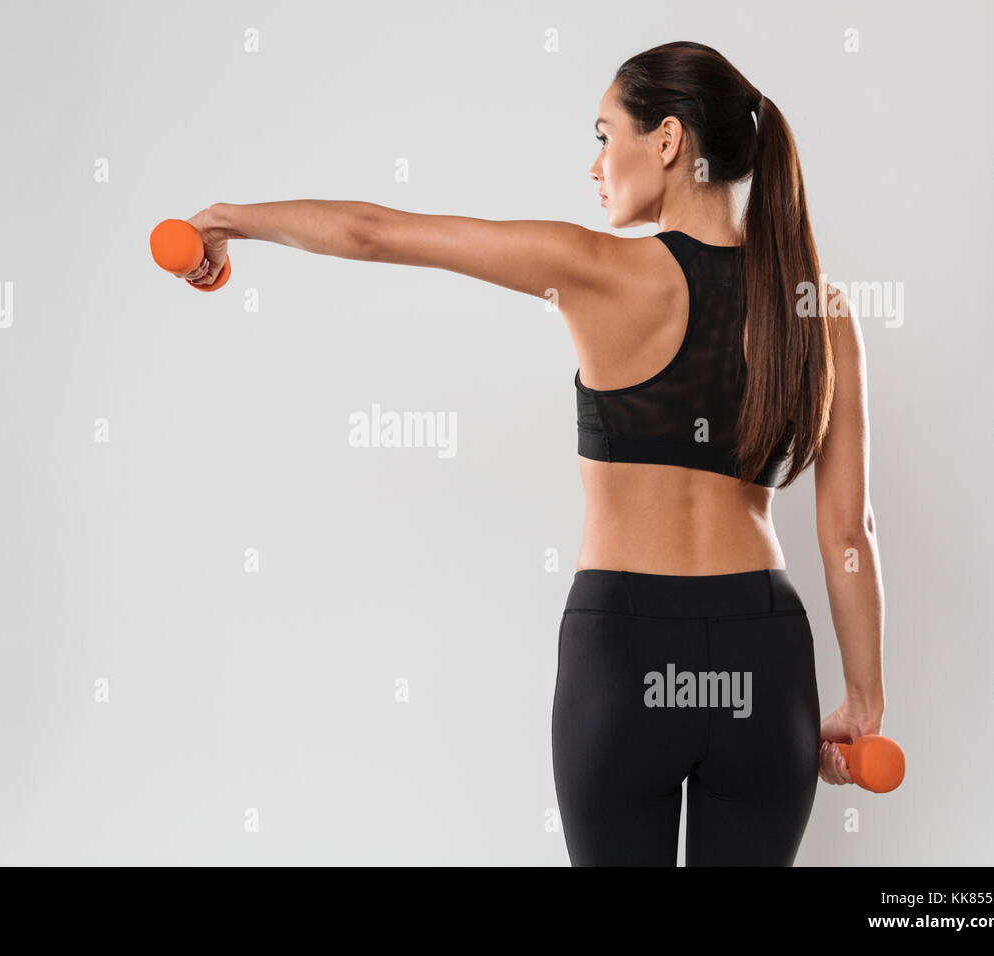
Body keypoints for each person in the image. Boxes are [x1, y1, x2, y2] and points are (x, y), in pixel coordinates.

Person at [175, 39, 884, 866]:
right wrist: (863, 701)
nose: (595, 165)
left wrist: (226, 221)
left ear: (666, 142)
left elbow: (373, 234)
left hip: (623, 652)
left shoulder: (591, 270)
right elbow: (849, 533)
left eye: (602, 134)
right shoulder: (821, 308)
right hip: (766, 663)